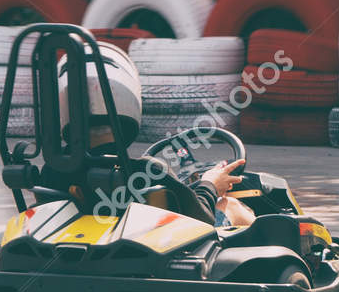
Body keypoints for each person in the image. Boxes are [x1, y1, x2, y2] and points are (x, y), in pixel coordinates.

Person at [39, 44, 255, 227]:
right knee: (233, 206)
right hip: (147, 256)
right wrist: (210, 184)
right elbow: (201, 220)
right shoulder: (147, 170)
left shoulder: (52, 172)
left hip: (76, 250)